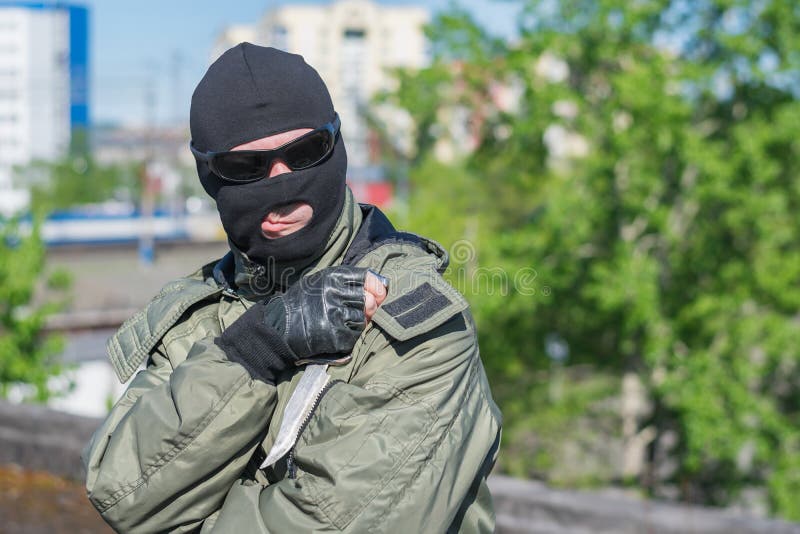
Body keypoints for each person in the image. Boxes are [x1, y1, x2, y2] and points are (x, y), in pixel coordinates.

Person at [83, 43, 502, 533]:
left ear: (337, 146)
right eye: (246, 167)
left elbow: (330, 522)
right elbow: (121, 492)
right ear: (209, 177)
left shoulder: (413, 315)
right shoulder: (198, 316)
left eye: (305, 153)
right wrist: (256, 348)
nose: (282, 183)